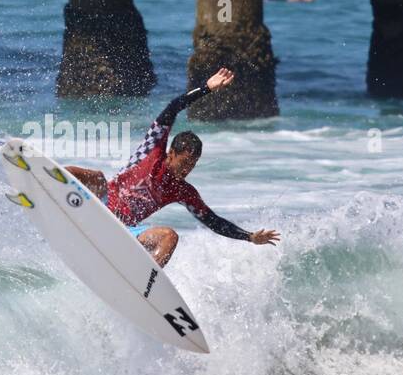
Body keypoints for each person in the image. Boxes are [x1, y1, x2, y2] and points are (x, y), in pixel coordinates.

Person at [66, 68, 281, 268]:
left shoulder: (183, 191)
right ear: (172, 153)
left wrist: (249, 236)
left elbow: (213, 221)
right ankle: (48, 177)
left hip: (125, 231)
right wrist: (206, 89)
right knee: (97, 177)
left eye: (193, 165)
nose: (188, 169)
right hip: (100, 206)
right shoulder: (153, 150)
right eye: (185, 162)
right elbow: (172, 108)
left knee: (169, 236)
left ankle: (145, 281)